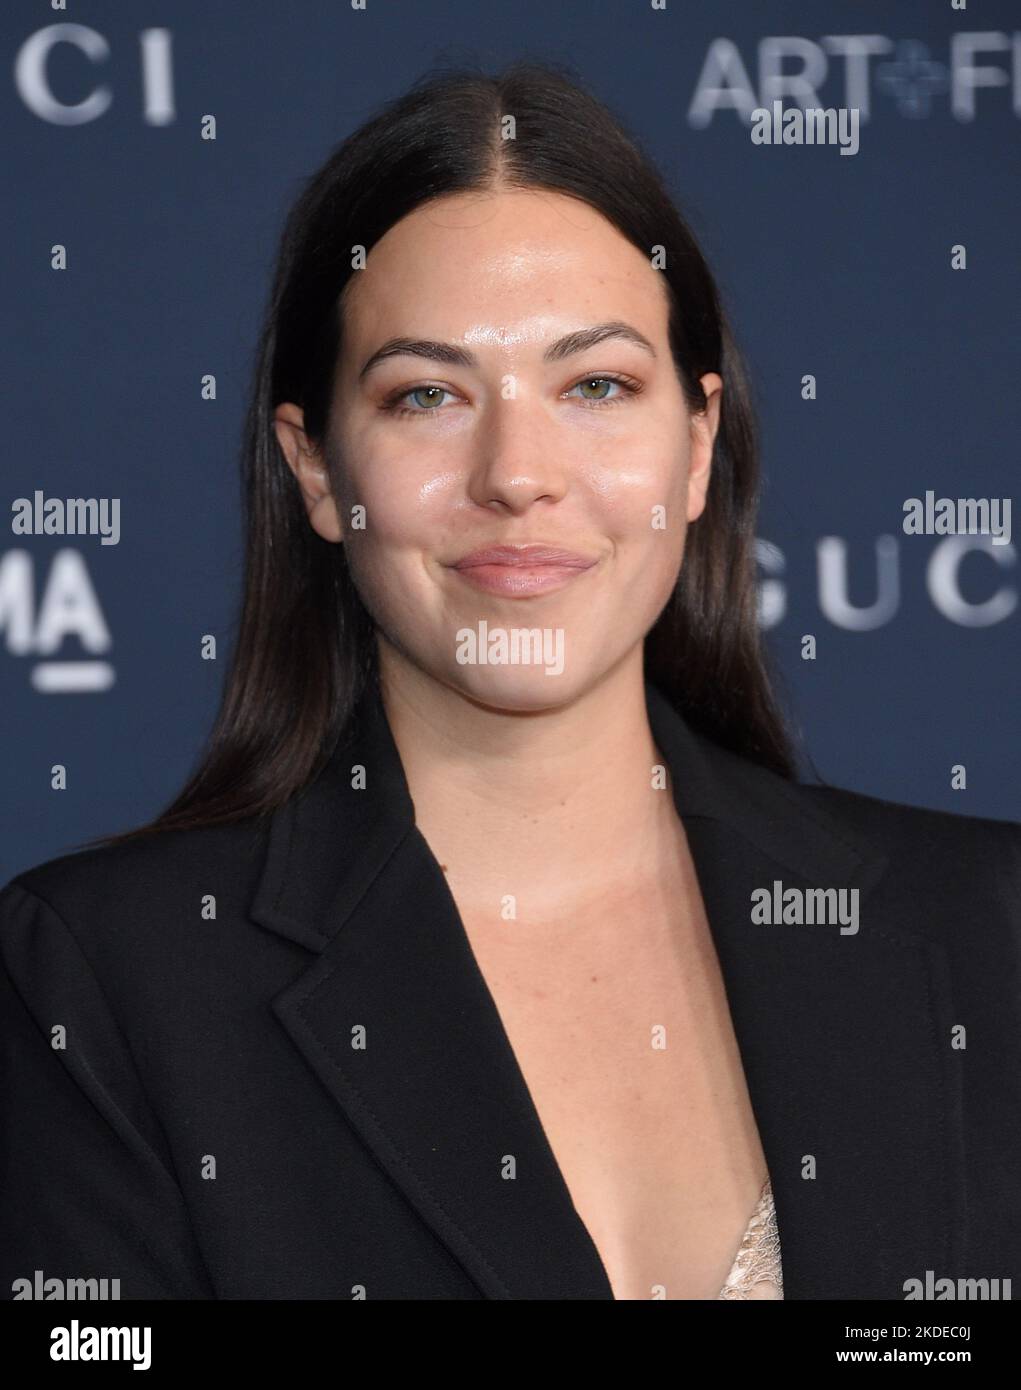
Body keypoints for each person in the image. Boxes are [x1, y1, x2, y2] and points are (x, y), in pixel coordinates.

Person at [2, 62, 1019, 1303]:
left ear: (696, 448)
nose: (517, 472)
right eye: (427, 395)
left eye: (594, 385)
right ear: (317, 471)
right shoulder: (112, 979)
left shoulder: (986, 928)